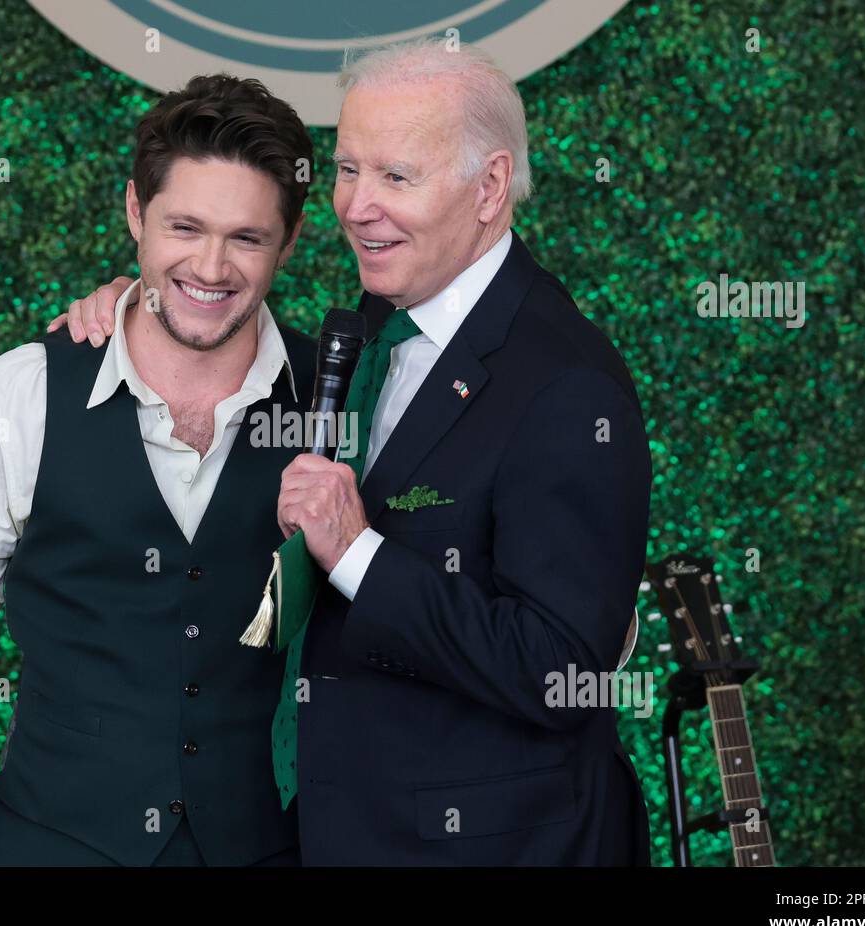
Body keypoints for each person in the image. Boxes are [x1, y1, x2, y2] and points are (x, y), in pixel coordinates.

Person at [50, 39, 654, 865]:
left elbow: (558, 670)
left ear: (490, 188)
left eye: (396, 177)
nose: (356, 206)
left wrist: (357, 551)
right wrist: (136, 308)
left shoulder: (566, 382)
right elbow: (228, 331)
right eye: (346, 169)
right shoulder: (369, 327)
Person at [0, 74, 318, 866]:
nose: (211, 265)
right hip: (49, 840)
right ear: (134, 212)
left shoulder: (337, 400)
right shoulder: (16, 395)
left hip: (270, 846)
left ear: (290, 241)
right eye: (184, 226)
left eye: (248, 238)